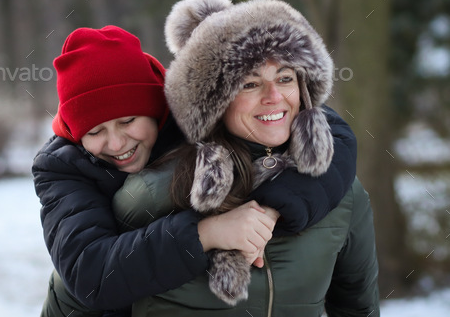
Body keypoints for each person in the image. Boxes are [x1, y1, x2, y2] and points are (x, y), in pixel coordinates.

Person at [33, 24, 358, 316]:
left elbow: (328, 132)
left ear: (157, 110)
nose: (116, 143)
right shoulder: (63, 167)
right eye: (94, 132)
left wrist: (272, 209)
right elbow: (90, 276)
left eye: (128, 121)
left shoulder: (193, 119)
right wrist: (206, 232)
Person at [111, 0, 379, 315]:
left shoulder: (343, 192)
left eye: (285, 78)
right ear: (214, 103)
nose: (274, 96)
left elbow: (358, 308)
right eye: (250, 84)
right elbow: (85, 293)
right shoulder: (150, 193)